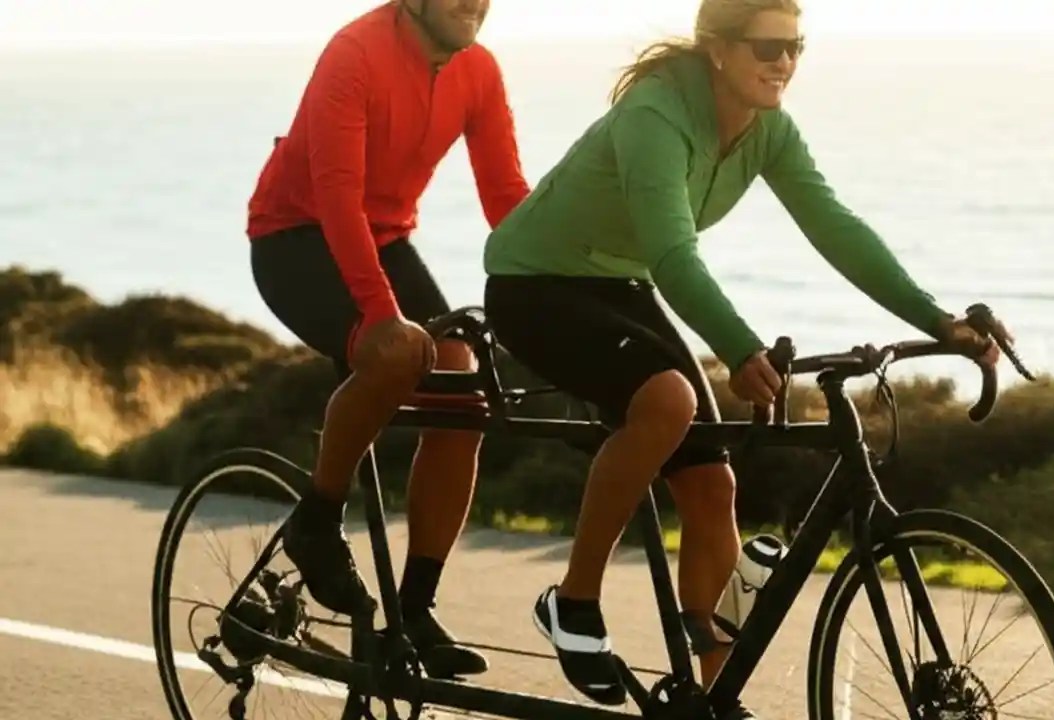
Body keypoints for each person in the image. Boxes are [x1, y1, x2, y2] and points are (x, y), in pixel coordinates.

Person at [481, 0, 998, 715]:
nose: (783, 62)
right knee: (669, 401)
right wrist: (739, 347)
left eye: (795, 48)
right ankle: (572, 603)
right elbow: (672, 253)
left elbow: (836, 228)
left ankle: (715, 692)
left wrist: (936, 319)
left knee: (712, 485)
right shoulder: (655, 114)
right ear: (717, 49)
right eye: (766, 46)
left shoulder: (770, 132)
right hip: (535, 285)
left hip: (620, 285)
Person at [245, 0, 529, 678]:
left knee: (464, 387)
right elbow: (336, 195)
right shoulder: (355, 54)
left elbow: (506, 197)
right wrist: (380, 315)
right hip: (296, 237)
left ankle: (416, 609)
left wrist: (558, 284)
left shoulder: (479, 71)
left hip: (386, 237)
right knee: (396, 354)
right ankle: (317, 519)